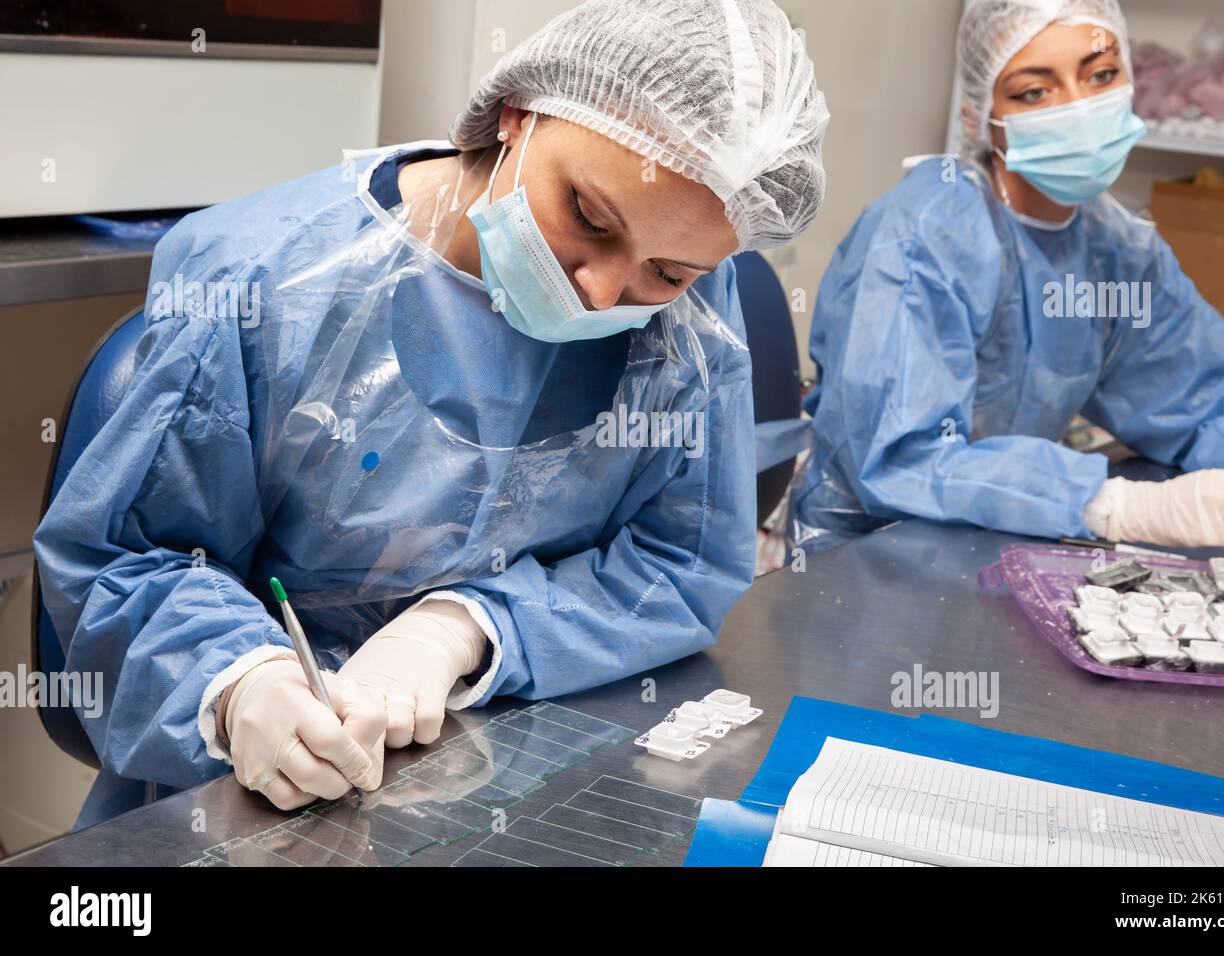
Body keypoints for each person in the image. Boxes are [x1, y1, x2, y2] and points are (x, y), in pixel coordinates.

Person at [34, 0, 828, 827]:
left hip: (517, 782)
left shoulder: (689, 321)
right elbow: (126, 564)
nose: (602, 290)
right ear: (519, 112)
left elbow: (683, 559)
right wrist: (240, 686)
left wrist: (469, 628)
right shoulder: (265, 280)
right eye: (588, 216)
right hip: (257, 802)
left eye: (667, 270)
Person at [788, 0, 1224, 557]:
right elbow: (901, 457)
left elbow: (1204, 392)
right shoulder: (921, 239)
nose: (1079, 110)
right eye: (1034, 91)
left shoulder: (1116, 247)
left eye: (1100, 75)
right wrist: (1116, 505)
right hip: (875, 554)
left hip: (1011, 537)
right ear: (980, 116)